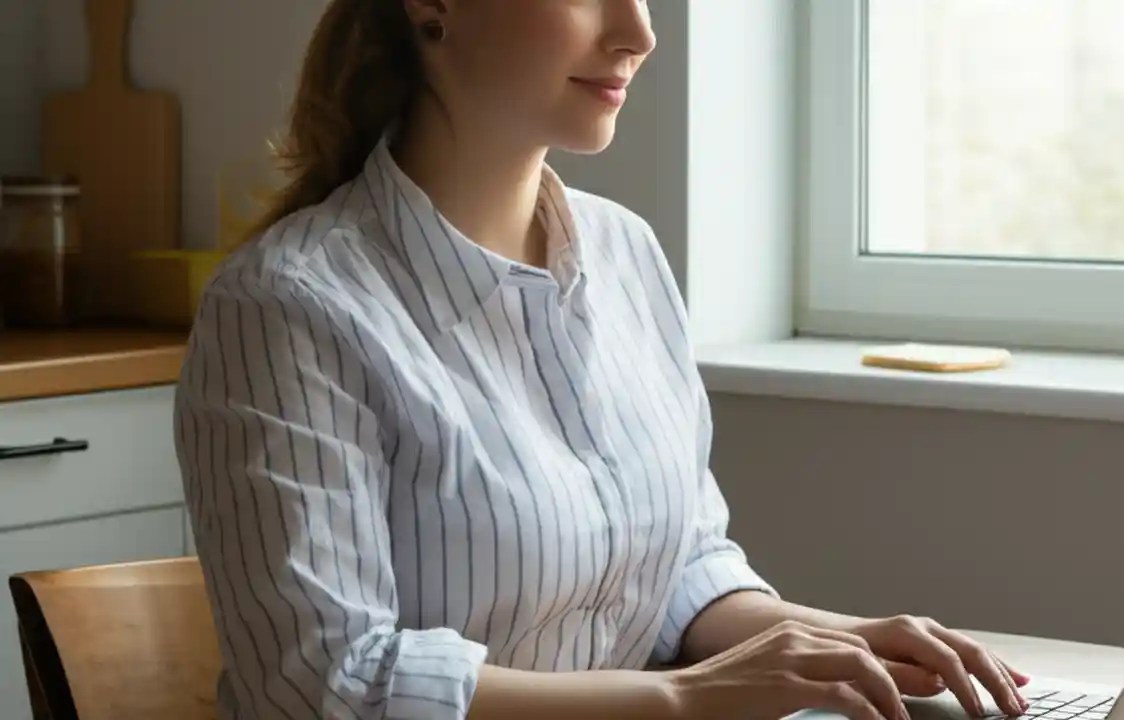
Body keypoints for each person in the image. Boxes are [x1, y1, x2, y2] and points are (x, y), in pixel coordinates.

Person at [174, 1, 1032, 718]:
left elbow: (681, 564)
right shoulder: (287, 305)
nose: (640, 31)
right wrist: (686, 700)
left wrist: (829, 643)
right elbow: (327, 682)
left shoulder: (626, 255)